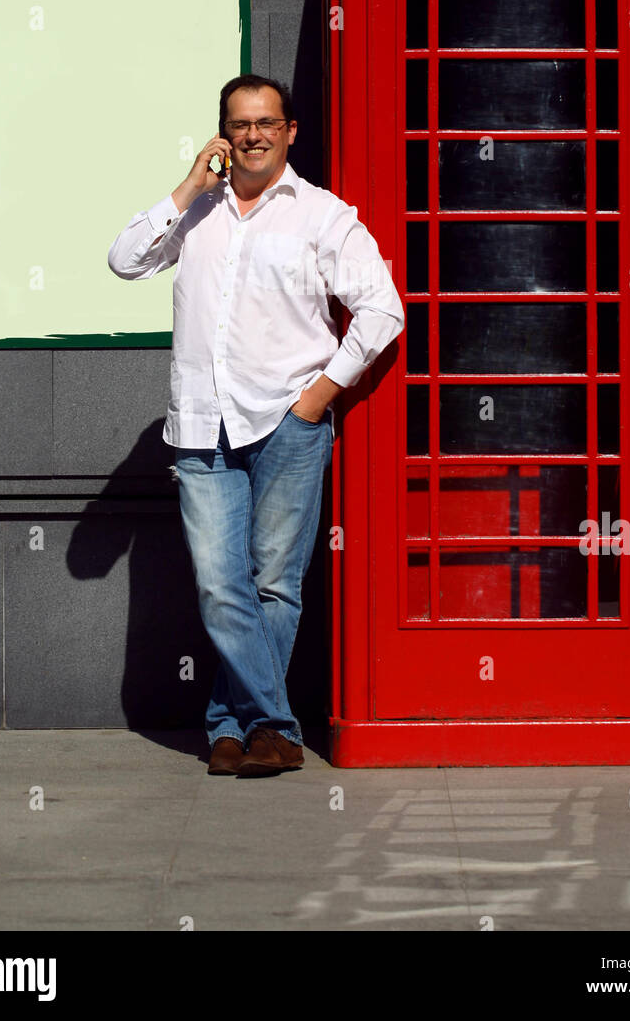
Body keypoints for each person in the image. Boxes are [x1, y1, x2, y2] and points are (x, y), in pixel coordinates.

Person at [107, 74, 404, 777]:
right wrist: (185, 187)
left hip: (287, 424)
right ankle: (275, 723)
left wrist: (319, 395)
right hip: (202, 426)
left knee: (275, 584)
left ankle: (227, 728)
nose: (254, 135)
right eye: (240, 124)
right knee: (220, 583)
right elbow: (124, 261)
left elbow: (384, 309)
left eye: (267, 121)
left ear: (290, 130)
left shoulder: (323, 216)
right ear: (222, 135)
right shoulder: (198, 213)